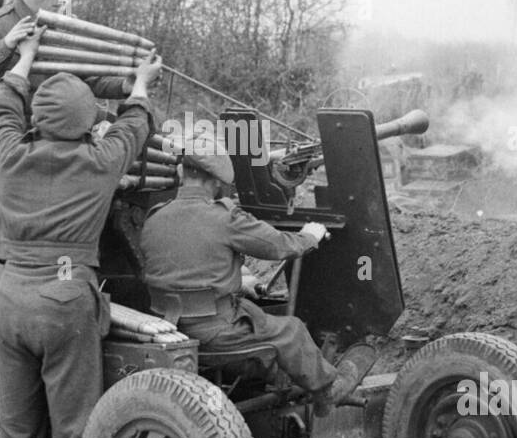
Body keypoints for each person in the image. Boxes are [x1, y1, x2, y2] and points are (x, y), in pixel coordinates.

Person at [0, 26, 161, 438]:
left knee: (16, 425)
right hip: (63, 302)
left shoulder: (10, 155)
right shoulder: (99, 161)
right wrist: (141, 82)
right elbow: (135, 125)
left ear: (36, 120)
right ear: (87, 123)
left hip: (11, 297)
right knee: (74, 427)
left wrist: (25, 57)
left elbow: (0, 108)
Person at [139, 142, 358, 413]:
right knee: (291, 330)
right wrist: (309, 237)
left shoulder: (155, 217)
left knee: (258, 318)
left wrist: (238, 283)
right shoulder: (224, 218)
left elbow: (181, 268)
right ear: (215, 182)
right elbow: (278, 246)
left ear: (184, 173)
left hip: (168, 325)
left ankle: (289, 382)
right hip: (214, 332)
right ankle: (327, 391)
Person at [0, 0, 132, 254]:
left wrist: (126, 84)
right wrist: (7, 45)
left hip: (53, 148)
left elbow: (85, 79)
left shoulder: (64, 26)